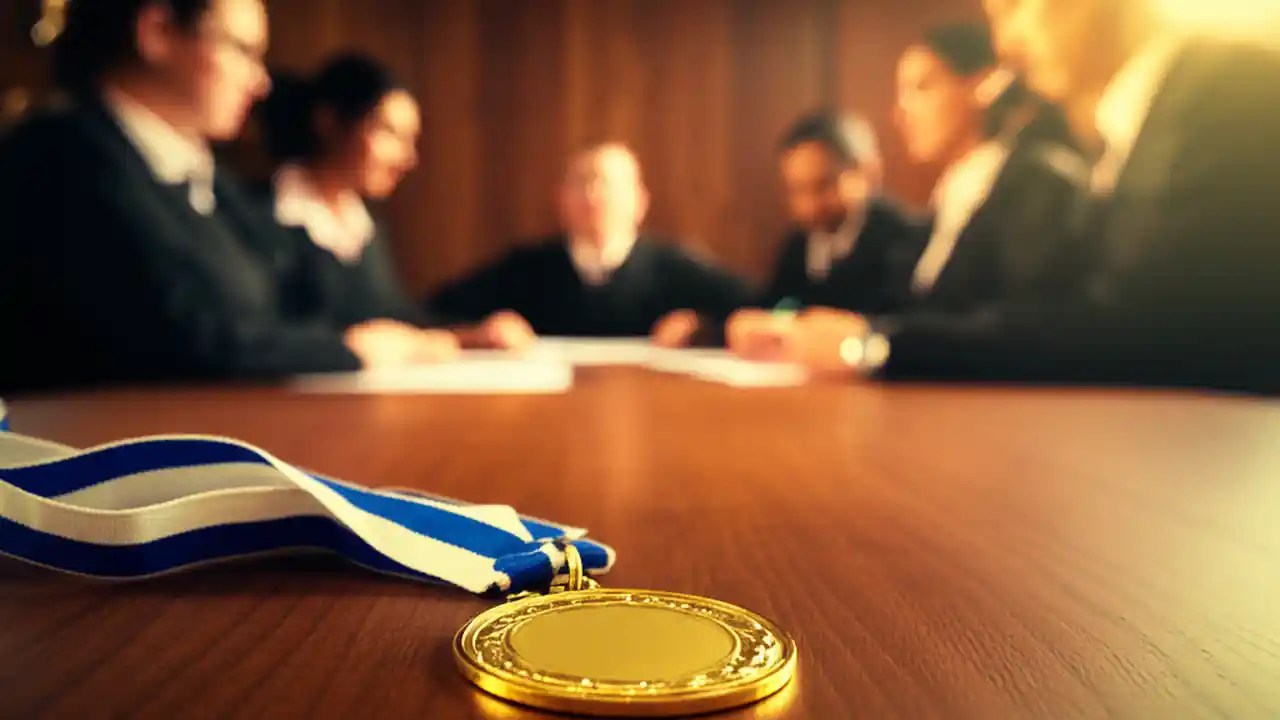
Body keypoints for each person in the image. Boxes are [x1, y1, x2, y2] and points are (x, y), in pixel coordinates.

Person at [736, 1, 1280, 394]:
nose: (1009, 44)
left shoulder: (1223, 89)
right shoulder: (1139, 125)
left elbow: (1136, 326)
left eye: (1015, 9)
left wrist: (878, 345)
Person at [0, 0, 454, 394]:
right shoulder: (63, 158)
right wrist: (347, 349)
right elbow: (181, 339)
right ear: (156, 32)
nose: (261, 82)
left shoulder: (208, 179)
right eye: (242, 50)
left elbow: (291, 302)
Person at [730, 23, 1084, 361]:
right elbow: (905, 314)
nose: (901, 113)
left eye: (922, 88)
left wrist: (868, 343)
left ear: (984, 84)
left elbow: (1027, 326)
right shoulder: (947, 201)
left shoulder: (1038, 181)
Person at [252, 55, 535, 350]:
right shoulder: (258, 215)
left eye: (410, 140)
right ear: (329, 121)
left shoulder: (364, 226)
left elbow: (391, 318)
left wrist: (473, 334)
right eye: (390, 133)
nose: (407, 159)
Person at [652, 112, 924, 348]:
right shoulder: (799, 243)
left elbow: (901, 325)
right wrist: (708, 329)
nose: (808, 207)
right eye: (797, 191)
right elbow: (772, 308)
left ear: (867, 172)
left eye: (822, 187)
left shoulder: (904, 238)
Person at [431, 143, 754, 338]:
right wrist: (482, 332)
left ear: (639, 201)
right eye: (582, 182)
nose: (593, 196)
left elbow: (768, 306)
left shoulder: (677, 267)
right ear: (560, 199)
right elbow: (434, 309)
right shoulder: (527, 268)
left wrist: (704, 329)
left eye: (607, 183)